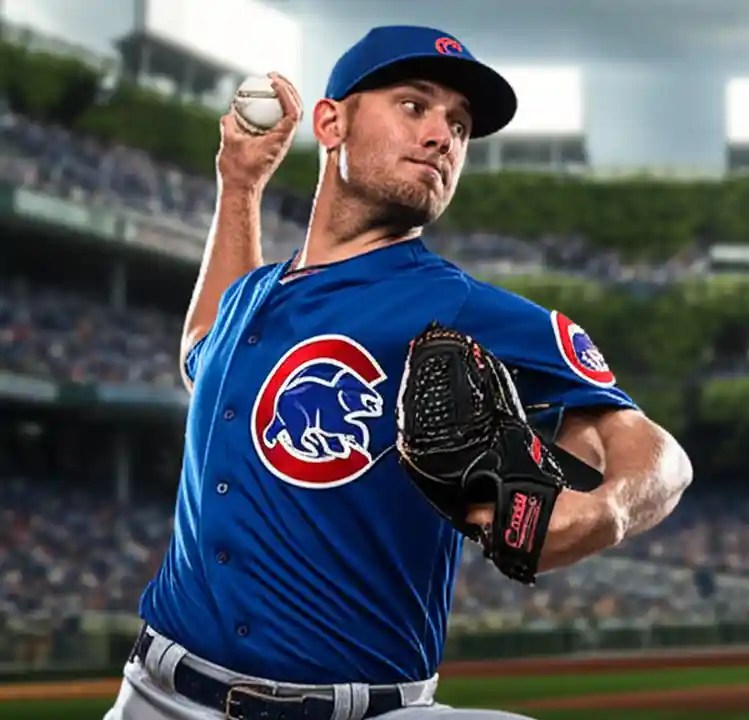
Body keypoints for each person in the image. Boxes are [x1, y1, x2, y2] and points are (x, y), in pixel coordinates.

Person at [103, 24, 693, 720]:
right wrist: (239, 187)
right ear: (331, 121)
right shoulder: (253, 296)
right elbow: (203, 349)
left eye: (461, 125)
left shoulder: (462, 307)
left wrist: (602, 512)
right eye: (414, 106)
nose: (443, 136)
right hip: (156, 695)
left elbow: (657, 453)